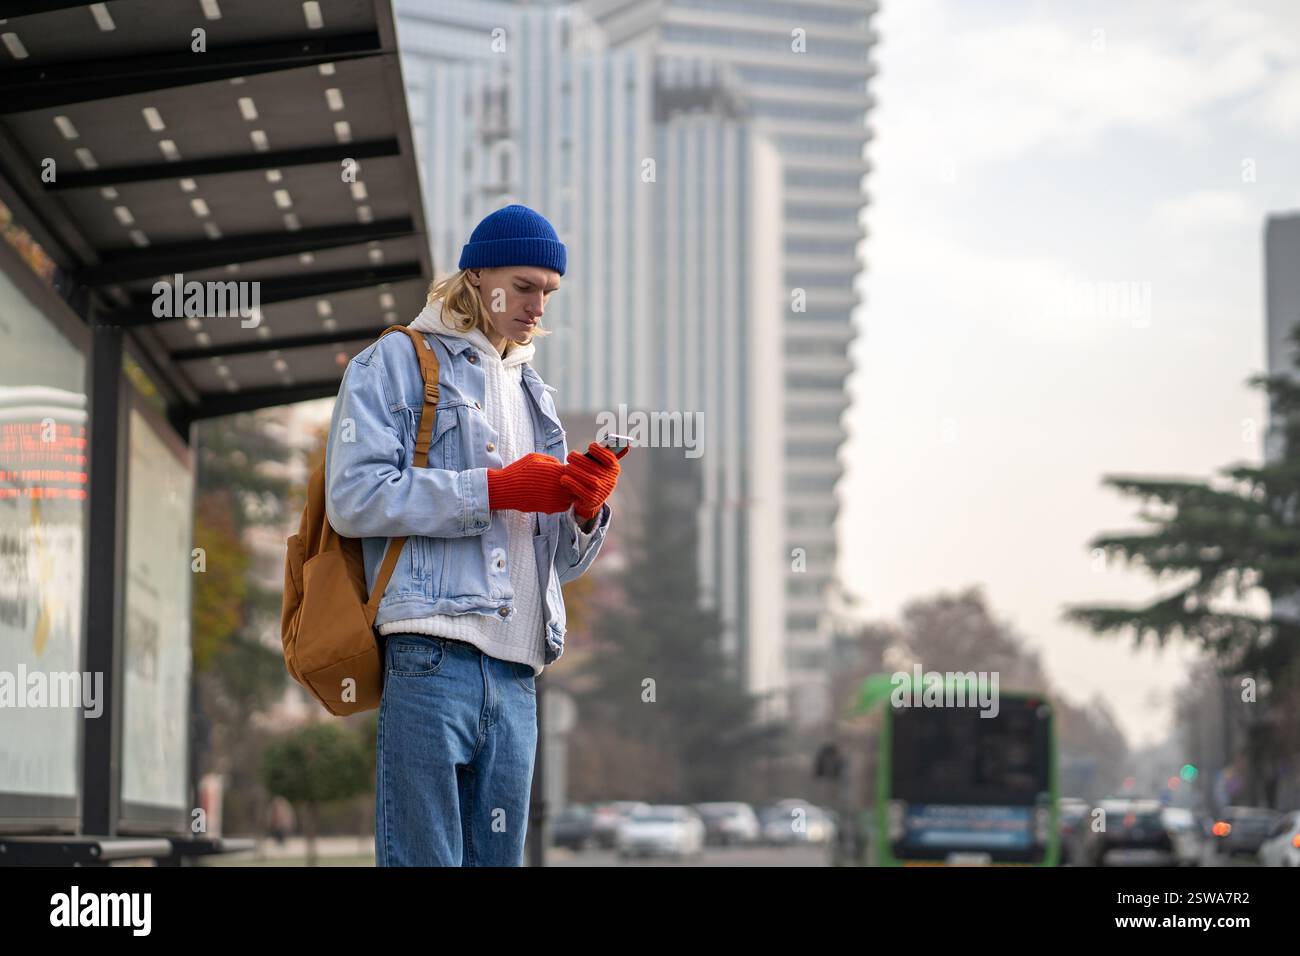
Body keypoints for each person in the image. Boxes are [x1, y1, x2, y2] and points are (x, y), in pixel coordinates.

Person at [325, 204, 621, 866]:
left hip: (519, 673)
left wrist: (583, 510)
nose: (537, 305)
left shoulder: (534, 395)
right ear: (477, 275)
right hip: (432, 655)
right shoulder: (392, 363)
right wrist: (493, 489)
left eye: (548, 291)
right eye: (524, 286)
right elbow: (353, 499)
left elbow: (556, 564)